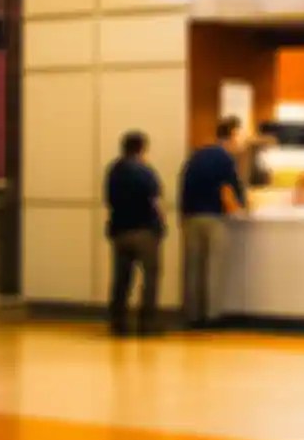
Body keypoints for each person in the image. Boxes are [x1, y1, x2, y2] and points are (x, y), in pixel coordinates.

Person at [179, 117, 246, 328]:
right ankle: (211, 316)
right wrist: (241, 206)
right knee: (213, 269)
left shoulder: (196, 155)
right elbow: (232, 189)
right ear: (231, 135)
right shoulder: (225, 158)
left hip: (191, 218)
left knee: (192, 269)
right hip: (214, 218)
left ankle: (192, 315)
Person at [104, 131, 165, 337]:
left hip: (120, 231)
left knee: (121, 278)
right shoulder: (145, 171)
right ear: (142, 148)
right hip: (144, 230)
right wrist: (161, 226)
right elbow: (155, 200)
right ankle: (147, 323)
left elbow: (109, 199)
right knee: (150, 277)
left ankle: (118, 322)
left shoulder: (113, 171)